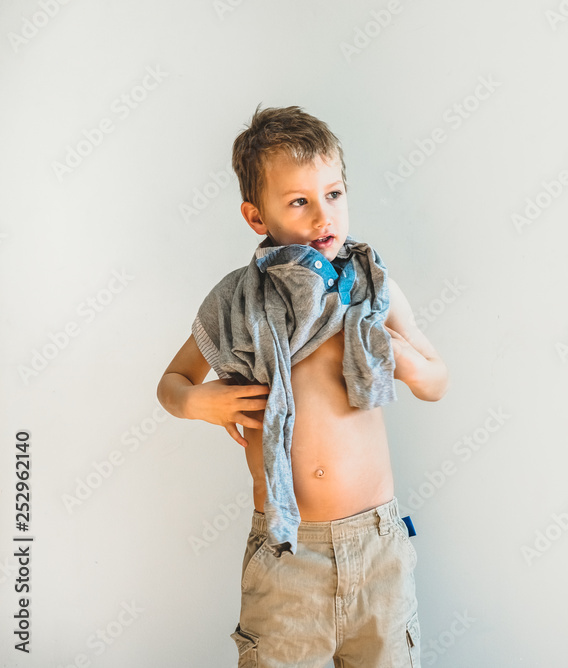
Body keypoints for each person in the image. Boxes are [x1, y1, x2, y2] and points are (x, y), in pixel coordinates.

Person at [156, 104, 449, 667]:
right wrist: (199, 400)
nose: (323, 216)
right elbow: (171, 384)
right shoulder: (239, 302)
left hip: (378, 546)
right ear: (256, 216)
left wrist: (407, 362)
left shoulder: (370, 288)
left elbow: (438, 381)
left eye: (333, 194)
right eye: (299, 201)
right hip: (288, 553)